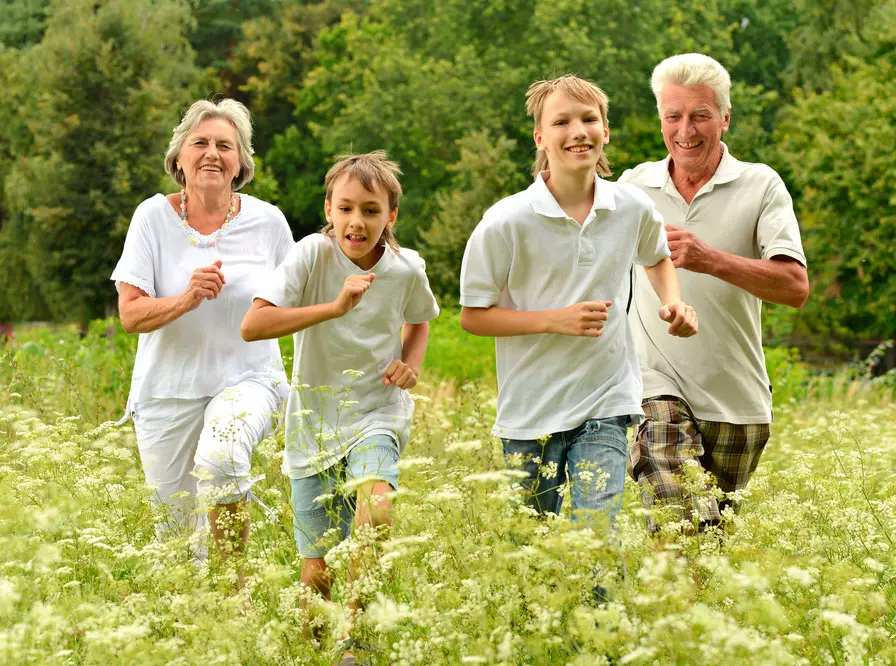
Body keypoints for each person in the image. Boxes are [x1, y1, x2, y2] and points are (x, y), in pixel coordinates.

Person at [459, 75, 697, 542]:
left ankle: (602, 618)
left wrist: (674, 303)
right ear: (540, 137)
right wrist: (554, 320)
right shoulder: (506, 221)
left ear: (606, 130)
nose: (578, 131)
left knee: (595, 540)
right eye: (562, 121)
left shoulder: (632, 208)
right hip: (530, 411)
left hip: (606, 400)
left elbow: (657, 259)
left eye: (589, 119)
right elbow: (472, 315)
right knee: (529, 549)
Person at [241, 151, 439, 665]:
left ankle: (356, 641)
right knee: (317, 572)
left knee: (377, 507)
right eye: (346, 208)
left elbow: (420, 320)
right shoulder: (311, 255)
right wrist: (334, 307)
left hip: (379, 411)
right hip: (313, 423)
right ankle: (313, 653)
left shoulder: (405, 268)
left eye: (371, 211)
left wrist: (409, 364)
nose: (357, 221)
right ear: (328, 208)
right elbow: (253, 325)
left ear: (390, 216)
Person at [623, 53, 809, 530]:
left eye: (700, 115)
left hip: (737, 403)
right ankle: (674, 602)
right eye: (673, 116)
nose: (686, 129)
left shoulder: (760, 185)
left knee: (711, 541)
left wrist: (709, 259)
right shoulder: (632, 188)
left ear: (725, 117)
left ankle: (693, 605)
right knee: (675, 516)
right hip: (653, 385)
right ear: (660, 119)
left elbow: (794, 287)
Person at [111, 99, 294, 566]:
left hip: (248, 379)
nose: (212, 153)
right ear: (179, 159)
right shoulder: (152, 218)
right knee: (174, 544)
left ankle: (236, 592)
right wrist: (185, 299)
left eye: (224, 146)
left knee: (222, 458)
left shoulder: (268, 221)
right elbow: (130, 315)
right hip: (168, 391)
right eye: (200, 143)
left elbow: (301, 299)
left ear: (240, 164)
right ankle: (197, 621)